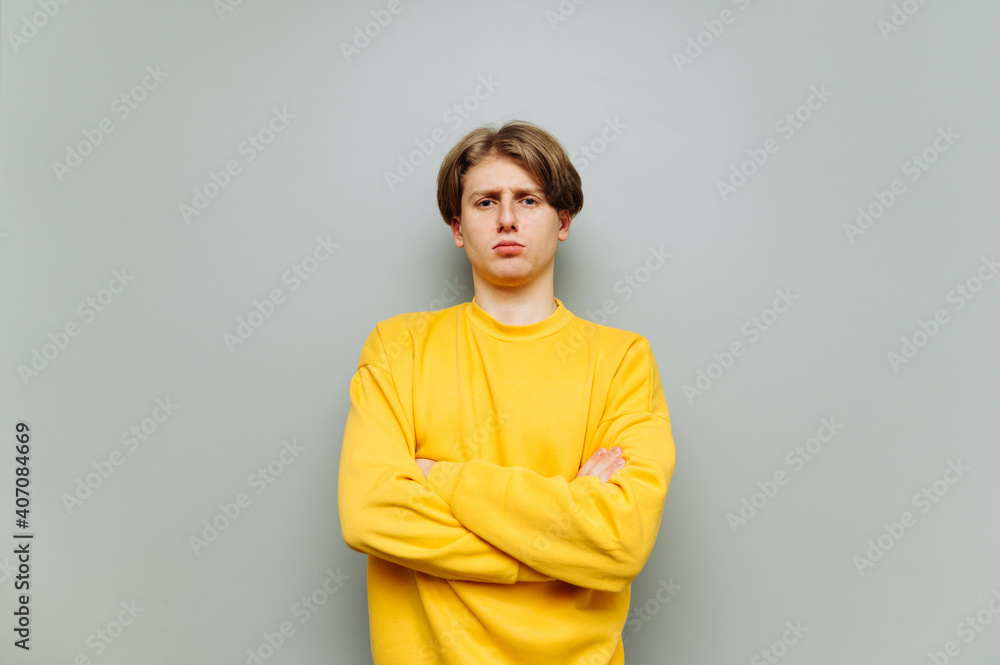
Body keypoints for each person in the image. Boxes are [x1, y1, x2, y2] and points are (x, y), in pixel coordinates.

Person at [338, 120, 676, 664]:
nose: (508, 219)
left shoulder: (622, 361)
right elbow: (368, 512)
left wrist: (436, 477)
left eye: (529, 200)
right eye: (485, 202)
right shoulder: (399, 347)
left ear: (563, 220)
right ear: (457, 226)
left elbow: (619, 540)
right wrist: (550, 547)